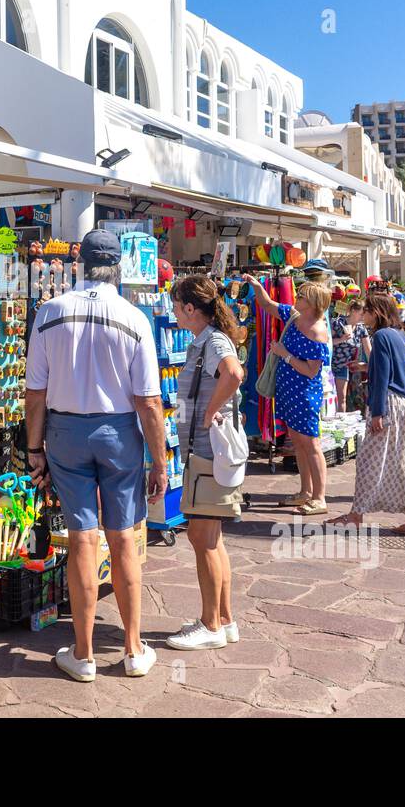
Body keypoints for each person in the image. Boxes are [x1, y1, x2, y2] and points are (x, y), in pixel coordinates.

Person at [25, 229, 167, 682]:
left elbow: (35, 394)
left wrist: (34, 448)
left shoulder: (49, 312)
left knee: (82, 538)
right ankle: (132, 648)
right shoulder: (134, 318)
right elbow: (149, 401)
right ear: (117, 267)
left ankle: (83, 654)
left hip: (65, 431)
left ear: (80, 264)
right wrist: (160, 461)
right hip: (120, 431)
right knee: (124, 537)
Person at [164, 276, 246, 651]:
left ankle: (210, 624)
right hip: (209, 453)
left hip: (208, 453)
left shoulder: (212, 341)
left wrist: (209, 413)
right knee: (212, 539)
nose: (174, 313)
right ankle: (223, 619)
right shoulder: (210, 340)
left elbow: (233, 374)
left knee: (202, 539)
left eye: (177, 306)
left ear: (190, 309)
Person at [325, 294, 405, 535]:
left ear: (377, 312)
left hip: (389, 403)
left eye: (368, 311)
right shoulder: (399, 334)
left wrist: (377, 411)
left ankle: (356, 515)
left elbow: (383, 376)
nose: (364, 316)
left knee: (369, 462)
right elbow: (396, 368)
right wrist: (366, 367)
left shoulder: (381, 336)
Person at [243, 273, 332, 515]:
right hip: (288, 392)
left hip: (303, 395)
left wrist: (285, 355)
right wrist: (257, 286)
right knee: (298, 445)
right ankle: (305, 492)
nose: (297, 297)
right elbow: (268, 305)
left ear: (313, 303)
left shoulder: (316, 331)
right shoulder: (294, 318)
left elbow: (311, 371)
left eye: (302, 296)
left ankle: (319, 497)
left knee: (311, 445)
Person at [331, 300, 368, 411]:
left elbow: (368, 350)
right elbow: (326, 342)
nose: (363, 317)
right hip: (329, 365)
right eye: (361, 314)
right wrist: (341, 339)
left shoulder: (361, 328)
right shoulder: (338, 323)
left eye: (364, 314)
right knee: (328, 398)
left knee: (342, 399)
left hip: (343, 366)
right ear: (353, 311)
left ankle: (340, 424)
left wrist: (372, 364)